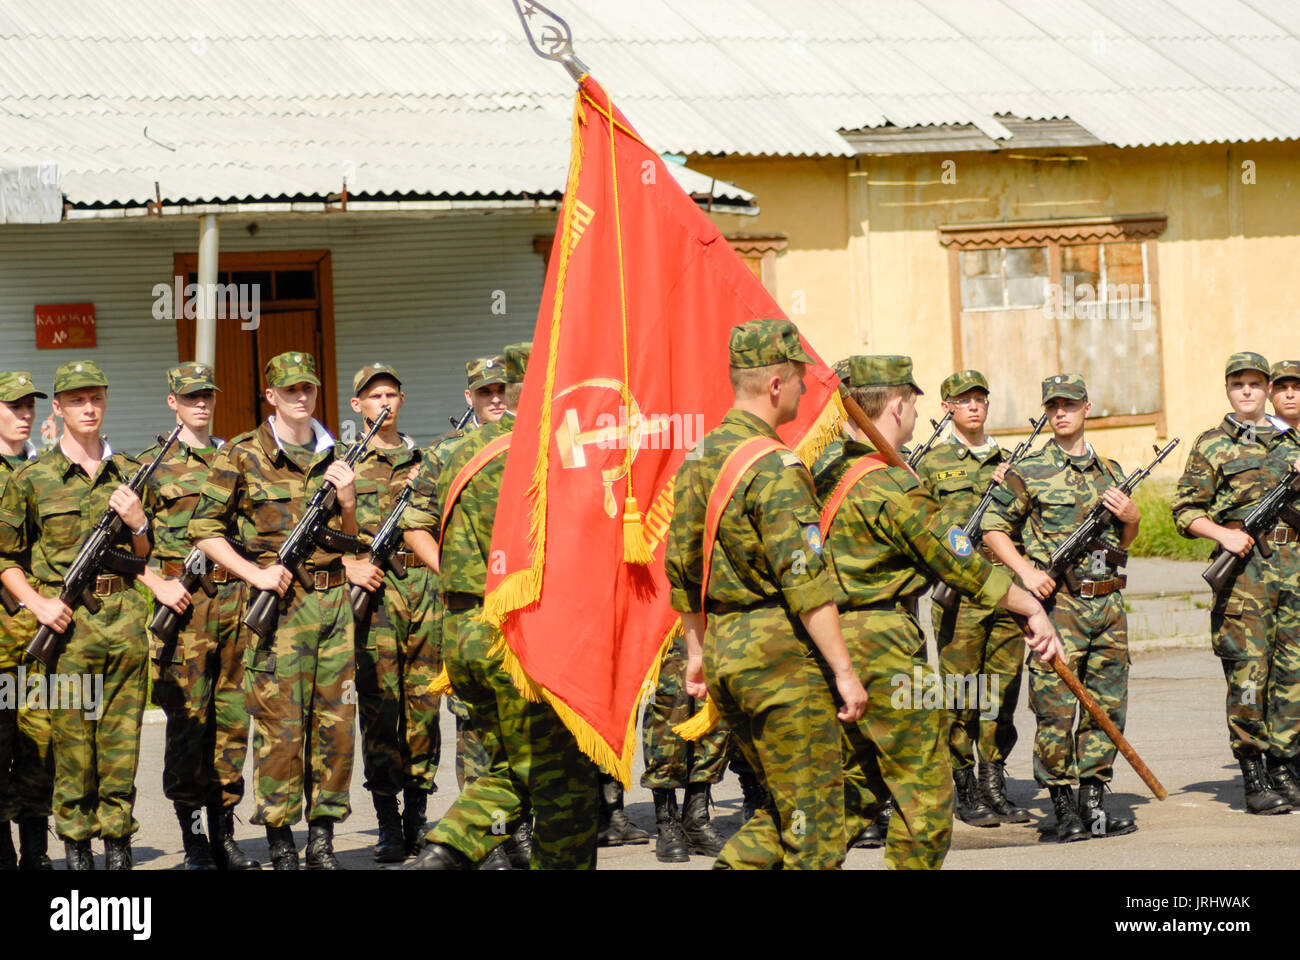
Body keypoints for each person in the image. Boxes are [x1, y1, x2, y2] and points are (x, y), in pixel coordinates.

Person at [814, 356, 1062, 868]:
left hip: (825, 637)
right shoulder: (891, 483)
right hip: (881, 644)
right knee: (925, 796)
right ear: (900, 405)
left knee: (847, 794)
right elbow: (958, 559)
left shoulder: (823, 473)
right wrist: (1028, 605)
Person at [664, 318, 868, 870]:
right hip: (781, 661)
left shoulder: (699, 456)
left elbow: (681, 570)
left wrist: (698, 652)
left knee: (783, 810)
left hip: (728, 654)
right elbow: (806, 581)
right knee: (817, 824)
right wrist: (845, 672)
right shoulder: (775, 466)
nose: (805, 389)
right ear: (776, 384)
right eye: (799, 378)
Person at [404, 343, 601, 870]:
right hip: (523, 636)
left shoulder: (448, 452)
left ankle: (444, 851)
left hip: (465, 631)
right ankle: (447, 853)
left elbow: (412, 522)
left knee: (511, 768)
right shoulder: (550, 449)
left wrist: (457, 573)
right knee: (566, 788)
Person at [188, 351, 359, 870]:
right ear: (271, 396)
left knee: (336, 725)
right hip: (279, 609)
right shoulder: (242, 453)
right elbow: (204, 528)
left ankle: (323, 839)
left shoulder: (339, 456)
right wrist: (254, 573)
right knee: (280, 728)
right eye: (290, 391)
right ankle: (283, 841)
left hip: (333, 607)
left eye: (307, 388)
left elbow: (353, 545)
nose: (301, 397)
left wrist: (349, 505)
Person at [0, 361, 154, 870]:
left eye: (96, 399)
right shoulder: (32, 478)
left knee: (120, 741)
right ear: (60, 408)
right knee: (71, 744)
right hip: (67, 630)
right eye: (77, 400)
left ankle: (118, 846)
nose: (89, 408)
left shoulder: (130, 473)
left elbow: (146, 555)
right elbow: (5, 557)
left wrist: (138, 522)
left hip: (125, 623)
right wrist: (36, 601)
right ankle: (77, 850)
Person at [982, 374, 1141, 843]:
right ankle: (1062, 808)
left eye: (1070, 404)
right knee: (1055, 708)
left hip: (1108, 605)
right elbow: (992, 528)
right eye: (1053, 406)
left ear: (1087, 408)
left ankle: (1094, 804)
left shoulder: (1110, 472)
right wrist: (1025, 574)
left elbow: (1122, 544)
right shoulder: (1027, 470)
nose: (1061, 412)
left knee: (1106, 708)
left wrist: (1131, 520)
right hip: (1059, 608)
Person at [137, 362, 258, 871]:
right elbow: (123, 545)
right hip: (183, 609)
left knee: (231, 723)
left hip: (232, 604)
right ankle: (192, 841)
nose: (201, 404)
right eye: (190, 397)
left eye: (207, 395)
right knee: (188, 722)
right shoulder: (151, 465)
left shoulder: (238, 458)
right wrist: (157, 585)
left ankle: (224, 835)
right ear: (172, 402)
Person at [1171, 352, 1300, 814]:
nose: (1247, 391)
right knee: (1249, 674)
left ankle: (1284, 761)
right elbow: (1185, 510)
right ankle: (1252, 769)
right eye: (1238, 384)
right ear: (1228, 390)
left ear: (1267, 388)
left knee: (1293, 674)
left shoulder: (1293, 442)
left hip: (1293, 576)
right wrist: (1224, 533)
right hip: (1244, 580)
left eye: (1255, 384)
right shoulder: (1212, 444)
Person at [399, 356, 506, 860]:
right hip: (473, 611)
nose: (496, 399)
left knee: (526, 726)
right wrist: (453, 570)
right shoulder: (446, 454)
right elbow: (413, 523)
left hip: (525, 609)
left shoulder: (535, 444)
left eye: (502, 389)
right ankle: (486, 841)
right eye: (485, 392)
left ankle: (516, 831)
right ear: (469, 398)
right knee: (477, 728)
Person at [913, 369, 1029, 826]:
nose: (974, 406)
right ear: (947, 408)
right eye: (964, 401)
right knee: (962, 691)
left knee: (1002, 690)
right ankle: (964, 787)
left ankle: (993, 782)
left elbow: (1027, 520)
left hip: (1005, 590)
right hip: (960, 590)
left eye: (980, 398)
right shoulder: (932, 463)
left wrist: (1015, 486)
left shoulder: (1010, 459)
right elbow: (922, 523)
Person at [345, 363, 441, 863]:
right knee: (380, 711)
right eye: (372, 395)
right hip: (376, 597)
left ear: (402, 401)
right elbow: (321, 537)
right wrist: (350, 563)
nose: (383, 401)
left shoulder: (428, 460)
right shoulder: (341, 465)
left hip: (423, 590)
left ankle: (418, 819)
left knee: (424, 708)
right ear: (357, 405)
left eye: (390, 394)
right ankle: (387, 823)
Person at [0, 371, 54, 870]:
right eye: (13, 406)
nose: (24, 415)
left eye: (29, 407)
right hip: (1, 631)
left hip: (37, 629)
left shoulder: (42, 468)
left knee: (39, 735)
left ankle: (36, 850)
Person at [637, 637, 726, 862]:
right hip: (668, 625)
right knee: (669, 717)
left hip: (713, 623)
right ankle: (667, 823)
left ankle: (696, 820)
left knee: (714, 719)